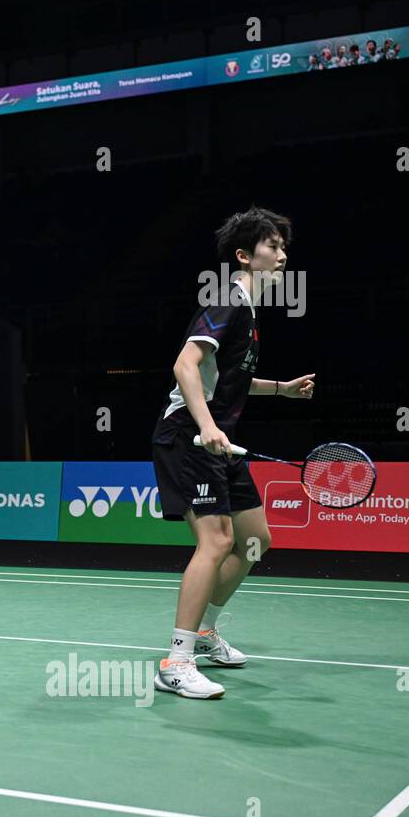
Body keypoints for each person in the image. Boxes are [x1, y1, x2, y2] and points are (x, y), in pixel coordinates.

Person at [149, 207, 315, 699]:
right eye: (272, 246)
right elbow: (185, 364)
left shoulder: (248, 310)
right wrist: (205, 426)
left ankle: (203, 635)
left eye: (285, 247)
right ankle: (175, 663)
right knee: (217, 541)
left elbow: (227, 378)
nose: (282, 255)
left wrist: (281, 389)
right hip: (188, 435)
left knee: (254, 541)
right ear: (244, 255)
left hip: (219, 439)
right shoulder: (226, 300)